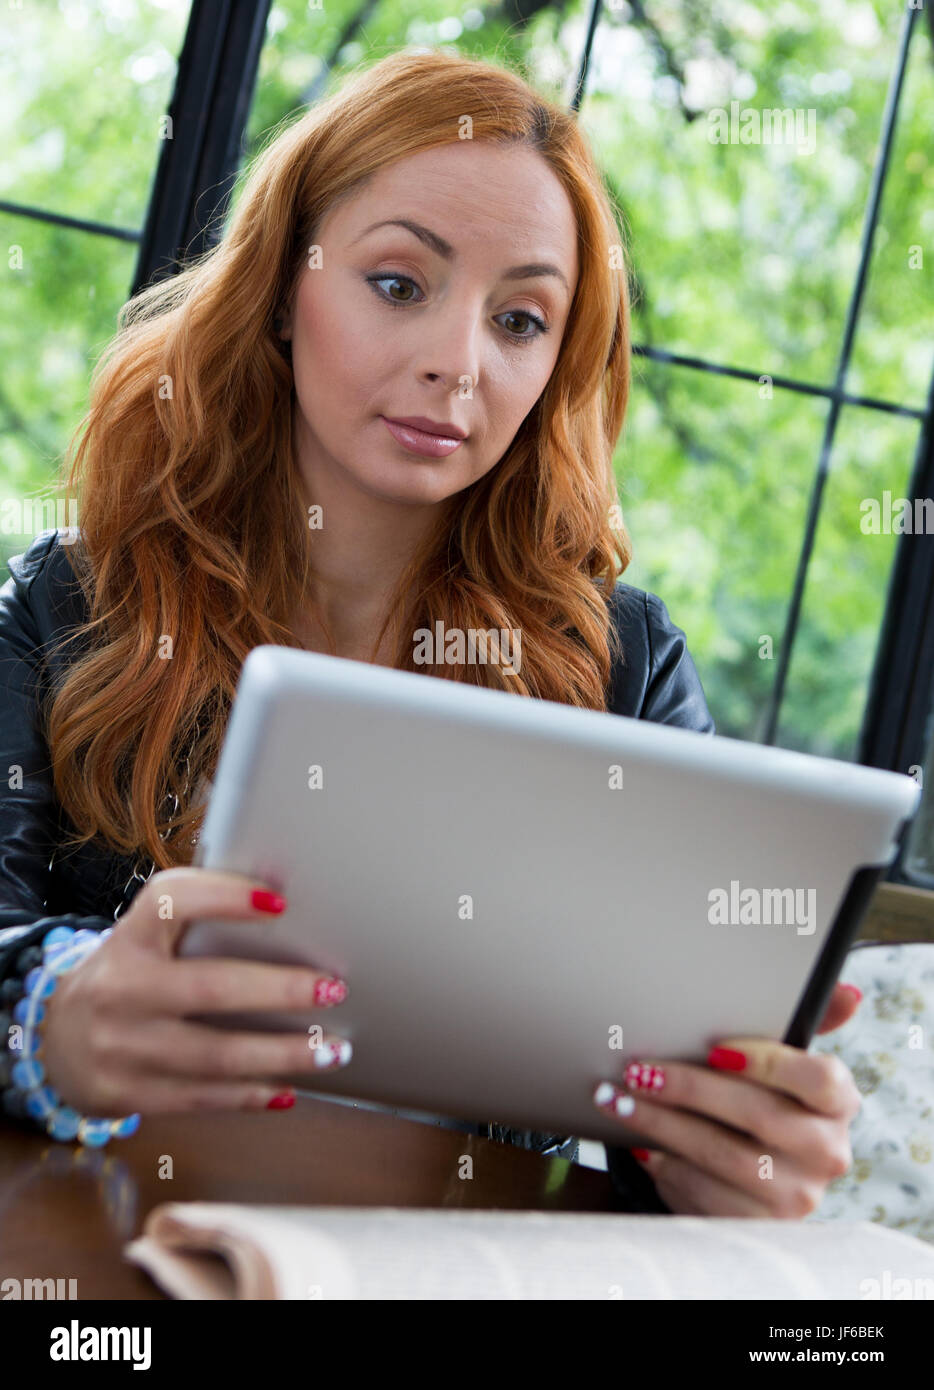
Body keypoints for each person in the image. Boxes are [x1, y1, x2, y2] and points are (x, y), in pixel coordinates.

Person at [0, 48, 861, 1217]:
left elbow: (644, 1117)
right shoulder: (64, 604)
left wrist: (723, 1157)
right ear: (278, 289)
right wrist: (54, 1022)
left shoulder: (623, 664)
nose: (456, 364)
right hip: (124, 1248)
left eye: (519, 318)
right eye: (400, 284)